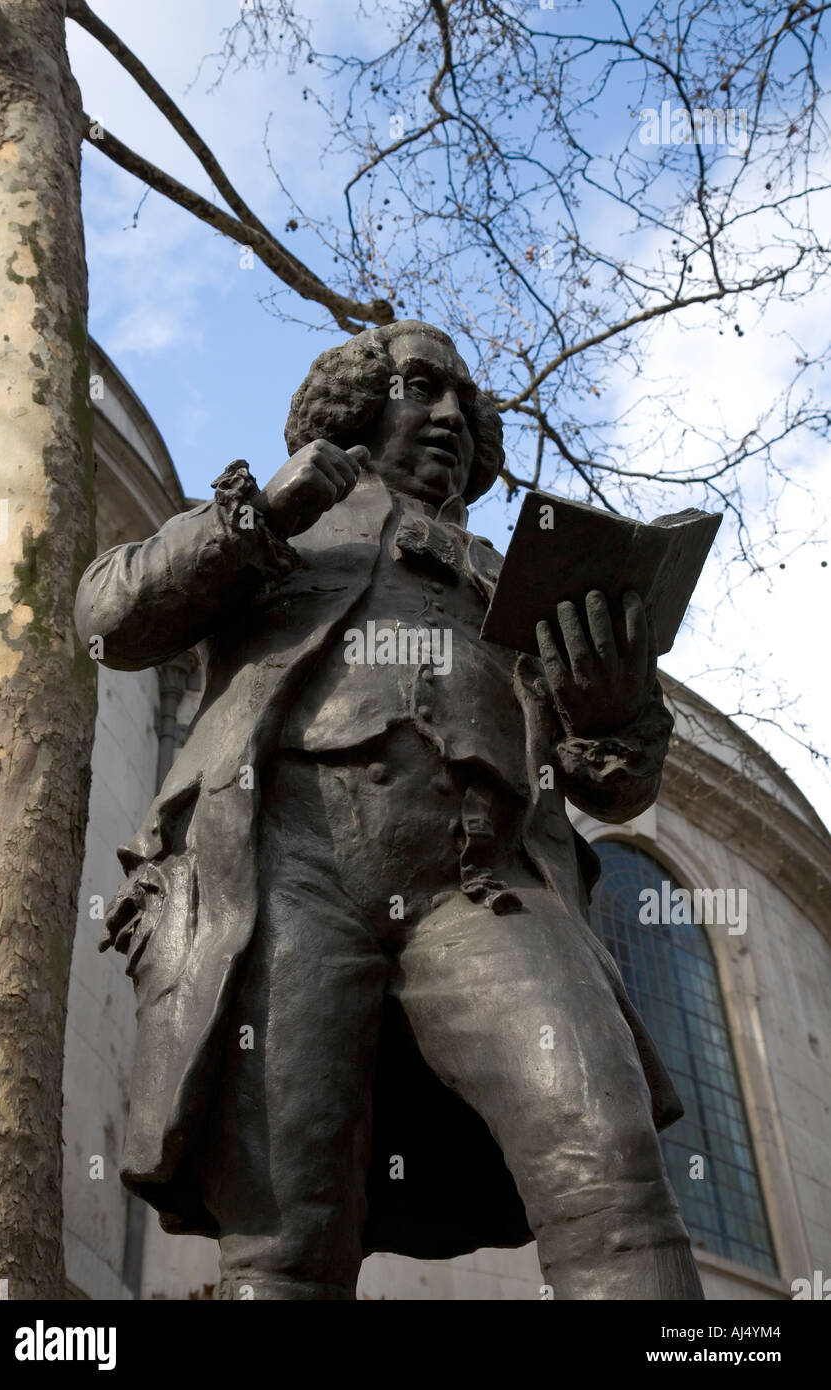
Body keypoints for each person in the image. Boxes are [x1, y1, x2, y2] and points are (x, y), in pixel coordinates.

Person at [75, 320, 704, 1301]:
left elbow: (616, 786)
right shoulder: (277, 528)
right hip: (285, 872)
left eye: (467, 403)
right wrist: (258, 517)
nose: (452, 414)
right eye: (423, 387)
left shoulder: (522, 581)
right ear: (357, 402)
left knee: (606, 1150)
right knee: (285, 1233)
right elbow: (109, 621)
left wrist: (614, 705)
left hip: (482, 880)